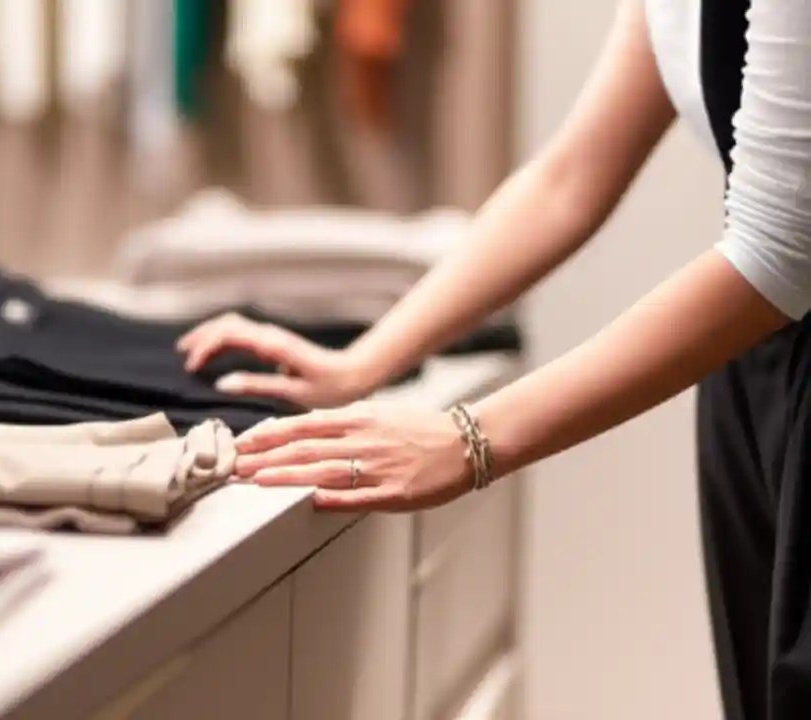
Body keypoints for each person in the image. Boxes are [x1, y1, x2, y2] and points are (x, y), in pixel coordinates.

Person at [175, 1, 811, 718]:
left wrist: (467, 439)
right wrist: (363, 361)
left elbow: (780, 251)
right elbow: (568, 179)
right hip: (751, 368)